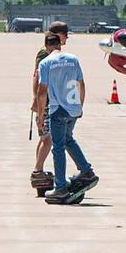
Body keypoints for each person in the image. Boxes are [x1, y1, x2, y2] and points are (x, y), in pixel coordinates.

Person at [34, 31, 99, 204]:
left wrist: (41, 115)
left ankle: (60, 187)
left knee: (58, 147)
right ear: (59, 44)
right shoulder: (73, 59)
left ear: (48, 46)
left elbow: (42, 91)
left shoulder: (45, 62)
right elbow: (82, 84)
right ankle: (86, 170)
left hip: (58, 110)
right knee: (68, 138)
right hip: (74, 109)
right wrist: (81, 106)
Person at [31, 23, 70, 182]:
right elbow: (37, 77)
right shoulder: (45, 54)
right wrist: (36, 99)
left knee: (45, 138)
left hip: (49, 101)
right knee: (48, 139)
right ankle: (37, 170)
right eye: (65, 35)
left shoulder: (50, 53)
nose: (66, 38)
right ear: (59, 35)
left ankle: (38, 170)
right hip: (46, 102)